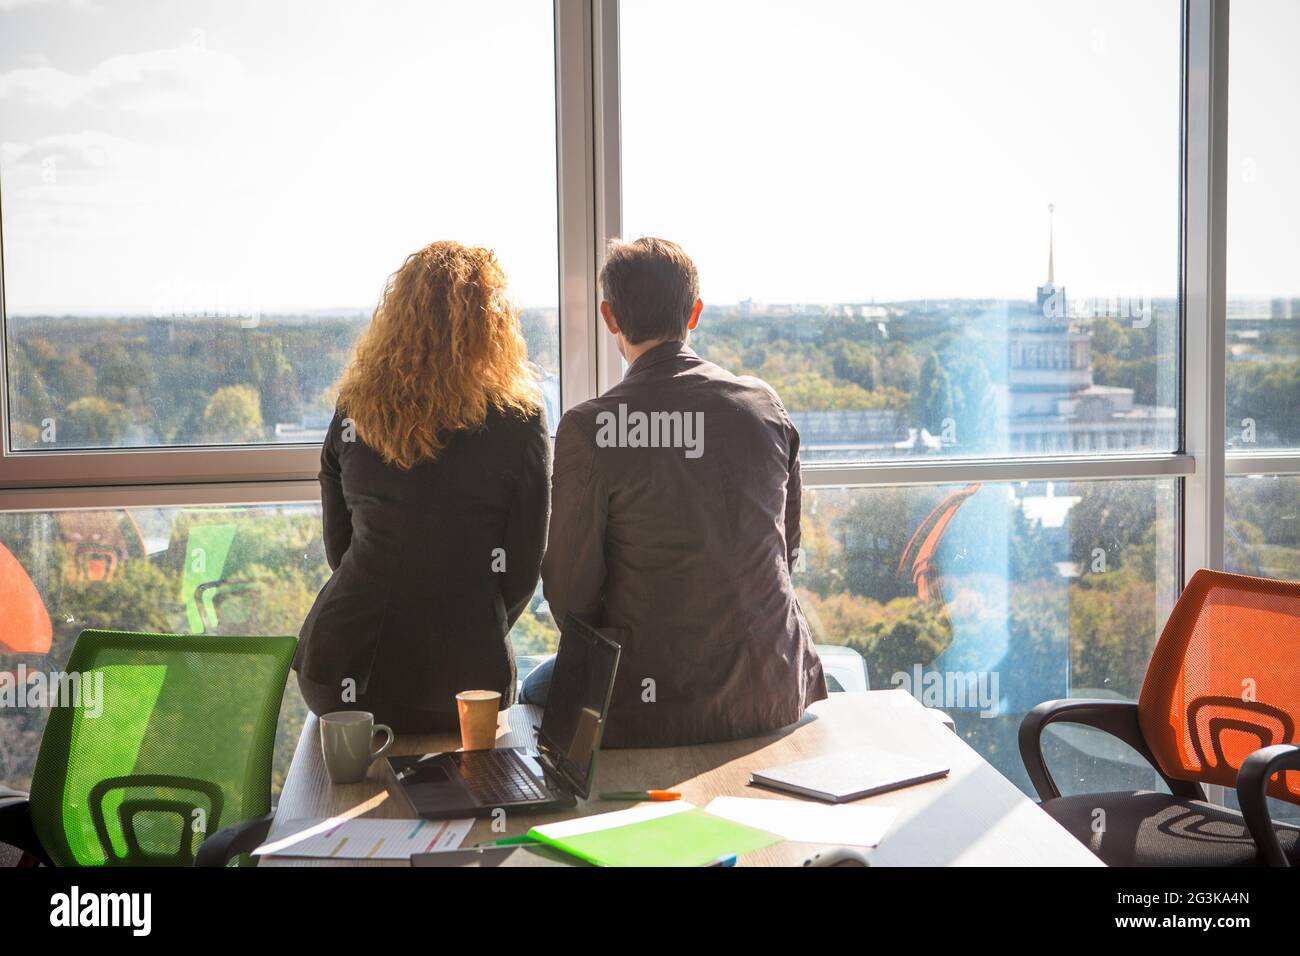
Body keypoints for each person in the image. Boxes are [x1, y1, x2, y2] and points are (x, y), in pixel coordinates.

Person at [525, 237, 826, 747]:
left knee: (530, 689)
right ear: (695, 313)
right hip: (772, 684)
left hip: (654, 701)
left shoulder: (590, 428)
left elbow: (570, 598)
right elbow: (784, 549)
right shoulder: (763, 406)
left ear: (609, 316)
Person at [295, 241, 550, 732]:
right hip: (464, 686)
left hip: (343, 670)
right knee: (465, 794)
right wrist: (478, 620)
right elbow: (522, 567)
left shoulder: (356, 408)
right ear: (493, 327)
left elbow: (340, 545)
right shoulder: (519, 420)